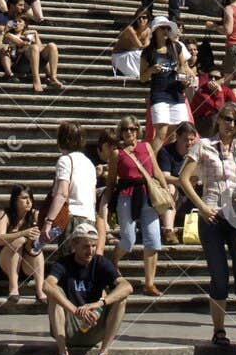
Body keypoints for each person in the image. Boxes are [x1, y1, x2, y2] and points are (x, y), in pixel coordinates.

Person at [179, 103, 236, 355]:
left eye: (235, 121)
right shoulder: (203, 145)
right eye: (226, 119)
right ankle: (219, 329)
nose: (230, 124)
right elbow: (184, 178)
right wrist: (202, 206)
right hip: (212, 214)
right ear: (218, 120)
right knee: (219, 276)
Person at [42, 220, 133, 355]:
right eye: (85, 246)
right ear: (74, 244)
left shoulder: (101, 262)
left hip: (94, 321)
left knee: (121, 297)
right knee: (54, 293)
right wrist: (74, 310)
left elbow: (127, 286)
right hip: (69, 325)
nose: (90, 251)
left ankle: (103, 354)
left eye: (93, 246)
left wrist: (99, 303)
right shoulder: (63, 263)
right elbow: (47, 285)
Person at [105, 115, 169, 295]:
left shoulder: (146, 146)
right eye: (125, 129)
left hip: (148, 195)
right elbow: (111, 181)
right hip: (126, 196)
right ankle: (114, 261)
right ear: (121, 132)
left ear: (137, 130)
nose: (129, 132)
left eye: (132, 129)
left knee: (154, 238)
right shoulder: (117, 153)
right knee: (128, 239)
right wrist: (106, 205)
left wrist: (166, 190)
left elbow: (156, 171)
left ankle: (149, 284)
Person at [141, 16, 196, 150]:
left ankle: (165, 164)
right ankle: (152, 165)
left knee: (175, 133)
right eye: (162, 28)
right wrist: (151, 70)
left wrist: (186, 79)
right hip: (159, 94)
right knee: (161, 133)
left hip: (176, 93)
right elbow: (142, 78)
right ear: (155, 30)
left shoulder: (175, 46)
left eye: (167, 27)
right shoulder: (148, 52)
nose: (166, 30)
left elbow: (183, 67)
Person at [39, 121, 98, 247]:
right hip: (89, 218)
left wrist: (49, 221)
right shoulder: (90, 164)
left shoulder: (65, 160)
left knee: (67, 261)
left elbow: (62, 193)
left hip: (71, 217)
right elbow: (93, 199)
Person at [0, 0, 61, 92]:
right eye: (20, 5)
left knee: (52, 46)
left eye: (19, 22)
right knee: (33, 48)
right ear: (12, 5)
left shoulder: (27, 35)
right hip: (19, 62)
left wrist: (36, 34)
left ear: (25, 25)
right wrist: (8, 33)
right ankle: (36, 80)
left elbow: (41, 48)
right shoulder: (7, 30)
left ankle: (53, 77)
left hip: (31, 60)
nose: (16, 23)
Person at [0, 186, 46, 305]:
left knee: (36, 250)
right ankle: (13, 287)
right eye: (24, 198)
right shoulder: (4, 214)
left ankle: (39, 289)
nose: (29, 202)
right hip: (4, 264)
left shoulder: (34, 214)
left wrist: (36, 239)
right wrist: (23, 233)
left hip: (26, 265)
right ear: (15, 200)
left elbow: (40, 242)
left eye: (31, 199)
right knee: (19, 240)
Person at [156, 120, 197, 243]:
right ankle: (168, 230)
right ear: (177, 137)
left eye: (191, 139)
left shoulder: (197, 150)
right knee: (170, 188)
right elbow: (164, 176)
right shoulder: (166, 151)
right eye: (186, 139)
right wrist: (183, 182)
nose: (189, 143)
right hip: (176, 193)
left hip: (195, 192)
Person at [111, 8, 150, 79]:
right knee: (140, 54)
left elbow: (147, 45)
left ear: (148, 19)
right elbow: (140, 46)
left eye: (144, 17)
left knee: (145, 54)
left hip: (133, 53)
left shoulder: (148, 30)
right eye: (139, 18)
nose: (141, 20)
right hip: (120, 55)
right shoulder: (130, 29)